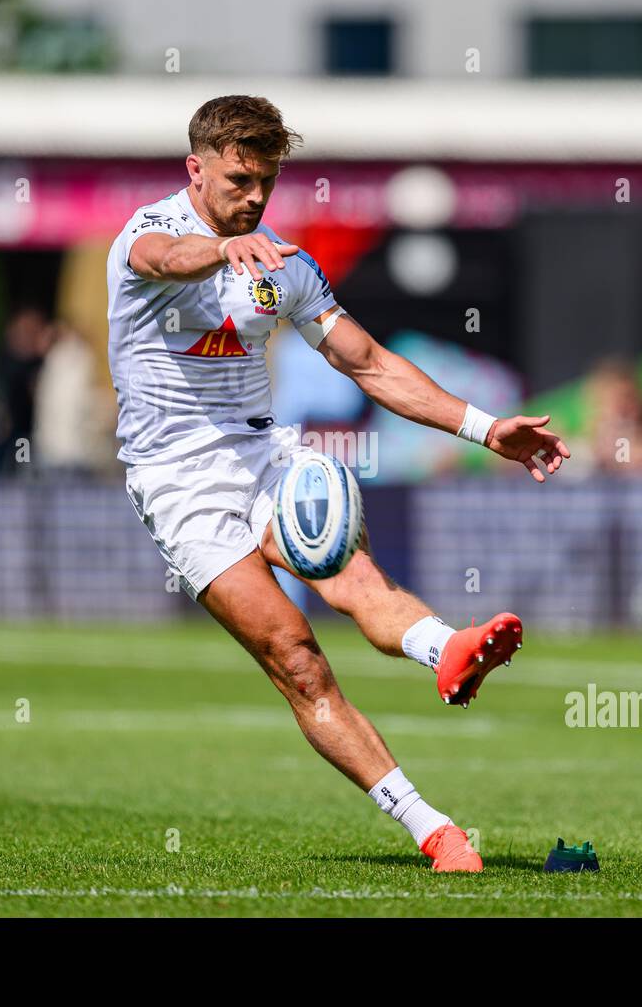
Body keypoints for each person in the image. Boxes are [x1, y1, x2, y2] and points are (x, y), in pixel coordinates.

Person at [107, 95, 570, 873]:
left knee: (355, 578)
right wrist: (224, 250)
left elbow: (369, 363)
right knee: (297, 659)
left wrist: (488, 429)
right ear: (197, 169)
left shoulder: (283, 264)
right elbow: (162, 260)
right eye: (237, 179)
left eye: (266, 182)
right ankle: (432, 827)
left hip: (265, 459)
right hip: (177, 484)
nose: (253, 198)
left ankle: (448, 649)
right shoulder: (148, 235)